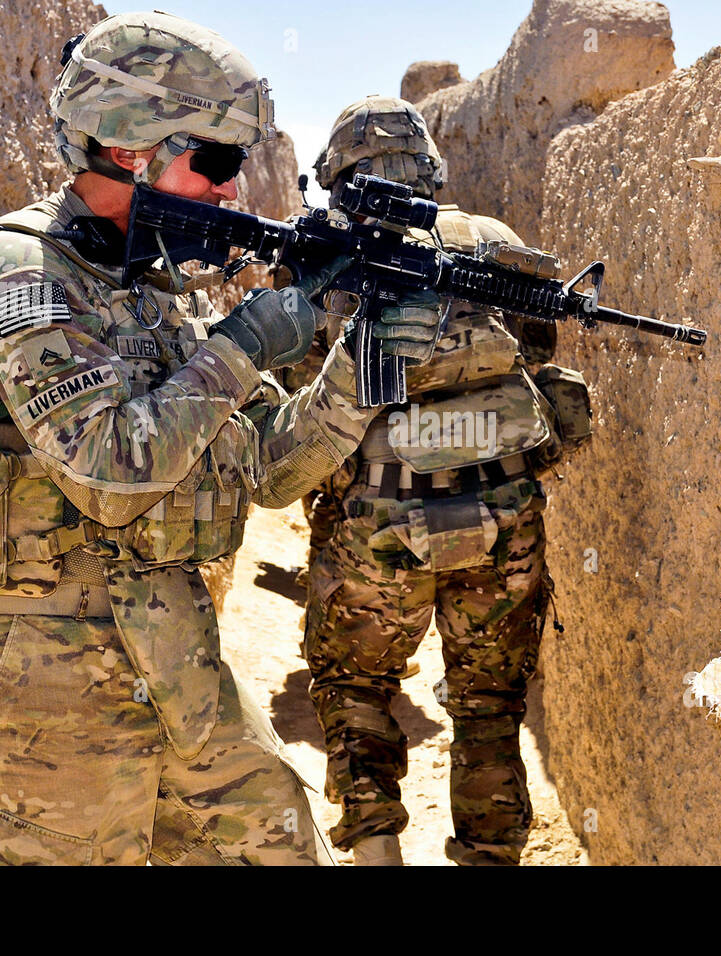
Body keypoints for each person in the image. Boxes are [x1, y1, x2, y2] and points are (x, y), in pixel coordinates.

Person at [0, 13, 439, 865]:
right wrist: (246, 344)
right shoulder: (21, 272)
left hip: (176, 668)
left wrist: (363, 369)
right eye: (214, 162)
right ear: (129, 148)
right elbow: (108, 473)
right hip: (45, 695)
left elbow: (267, 466)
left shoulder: (149, 293)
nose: (229, 189)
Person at [296, 96, 590, 865]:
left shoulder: (323, 261)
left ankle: (376, 856)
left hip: (377, 519)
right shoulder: (491, 243)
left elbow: (299, 397)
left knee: (356, 692)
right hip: (503, 510)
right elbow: (538, 342)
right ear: (429, 167)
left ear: (340, 179)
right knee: (489, 707)